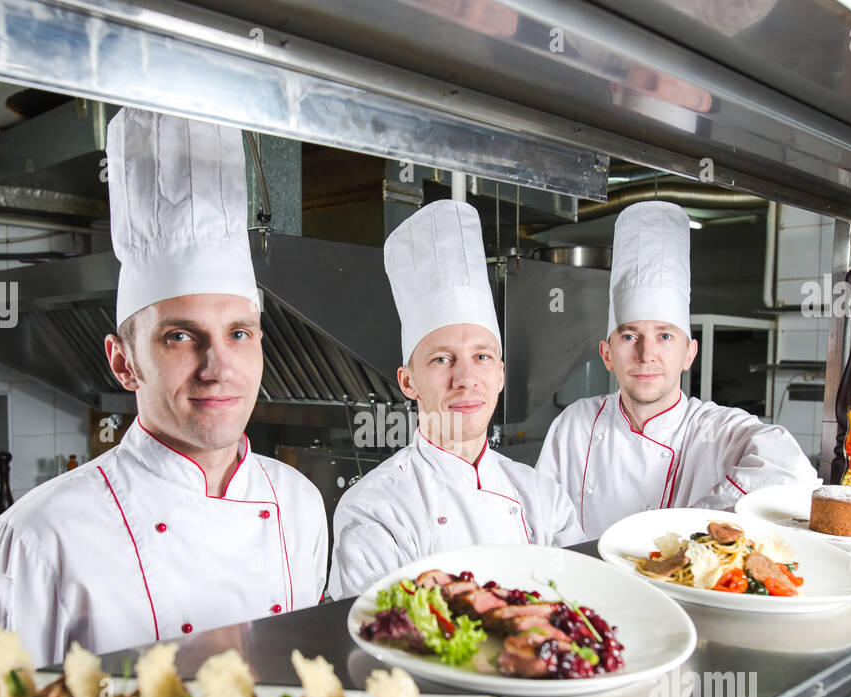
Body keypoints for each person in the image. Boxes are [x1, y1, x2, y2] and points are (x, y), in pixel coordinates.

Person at [0, 109, 327, 683]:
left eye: (238, 334)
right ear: (124, 362)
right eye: (180, 337)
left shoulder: (299, 504)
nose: (217, 368)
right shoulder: (34, 540)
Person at [328, 200, 584, 600]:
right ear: (408, 382)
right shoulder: (375, 509)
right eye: (442, 359)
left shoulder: (543, 498)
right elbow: (377, 631)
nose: (465, 379)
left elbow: (584, 607)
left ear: (500, 375)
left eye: (481, 357)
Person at [537, 201, 818, 539]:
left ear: (689, 354)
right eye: (629, 336)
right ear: (607, 355)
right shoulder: (574, 424)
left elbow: (793, 471)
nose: (646, 354)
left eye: (665, 336)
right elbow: (540, 523)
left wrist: (693, 528)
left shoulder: (716, 430)